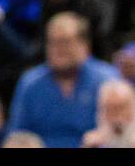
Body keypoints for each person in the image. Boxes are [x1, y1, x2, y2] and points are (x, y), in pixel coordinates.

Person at [7, 12, 121, 147]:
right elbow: (17, 135)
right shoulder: (30, 83)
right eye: (52, 42)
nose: (58, 49)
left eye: (65, 42)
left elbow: (122, 128)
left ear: (85, 45)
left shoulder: (108, 79)